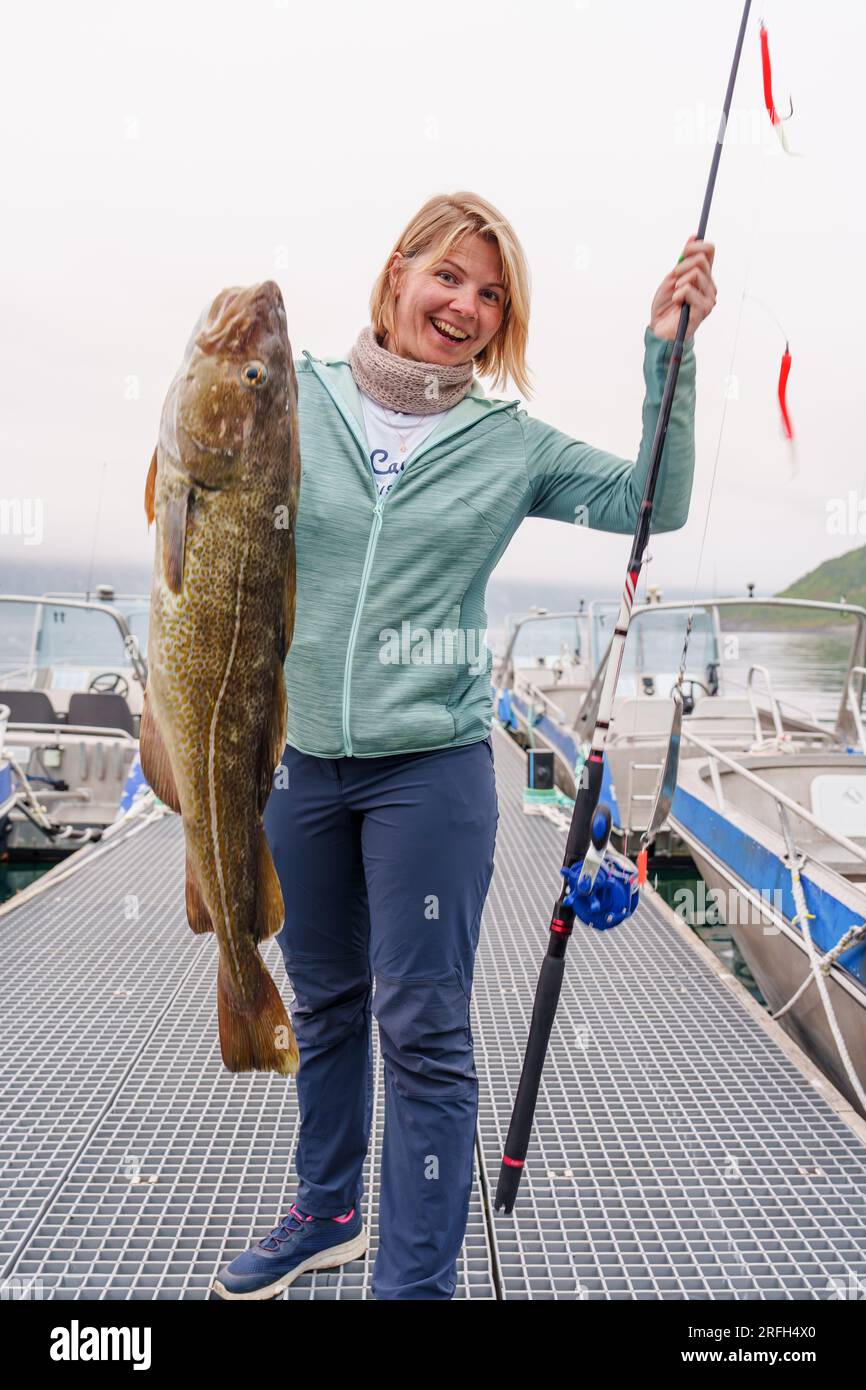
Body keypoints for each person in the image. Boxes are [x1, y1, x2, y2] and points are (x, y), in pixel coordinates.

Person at [213, 191, 716, 1301]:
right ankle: (325, 1207)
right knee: (326, 997)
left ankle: (417, 1278)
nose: (466, 305)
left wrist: (664, 361)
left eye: (491, 295)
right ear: (396, 272)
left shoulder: (508, 440)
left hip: (428, 766)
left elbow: (649, 504)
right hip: (297, 758)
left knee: (424, 1025)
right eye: (448, 276)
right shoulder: (298, 397)